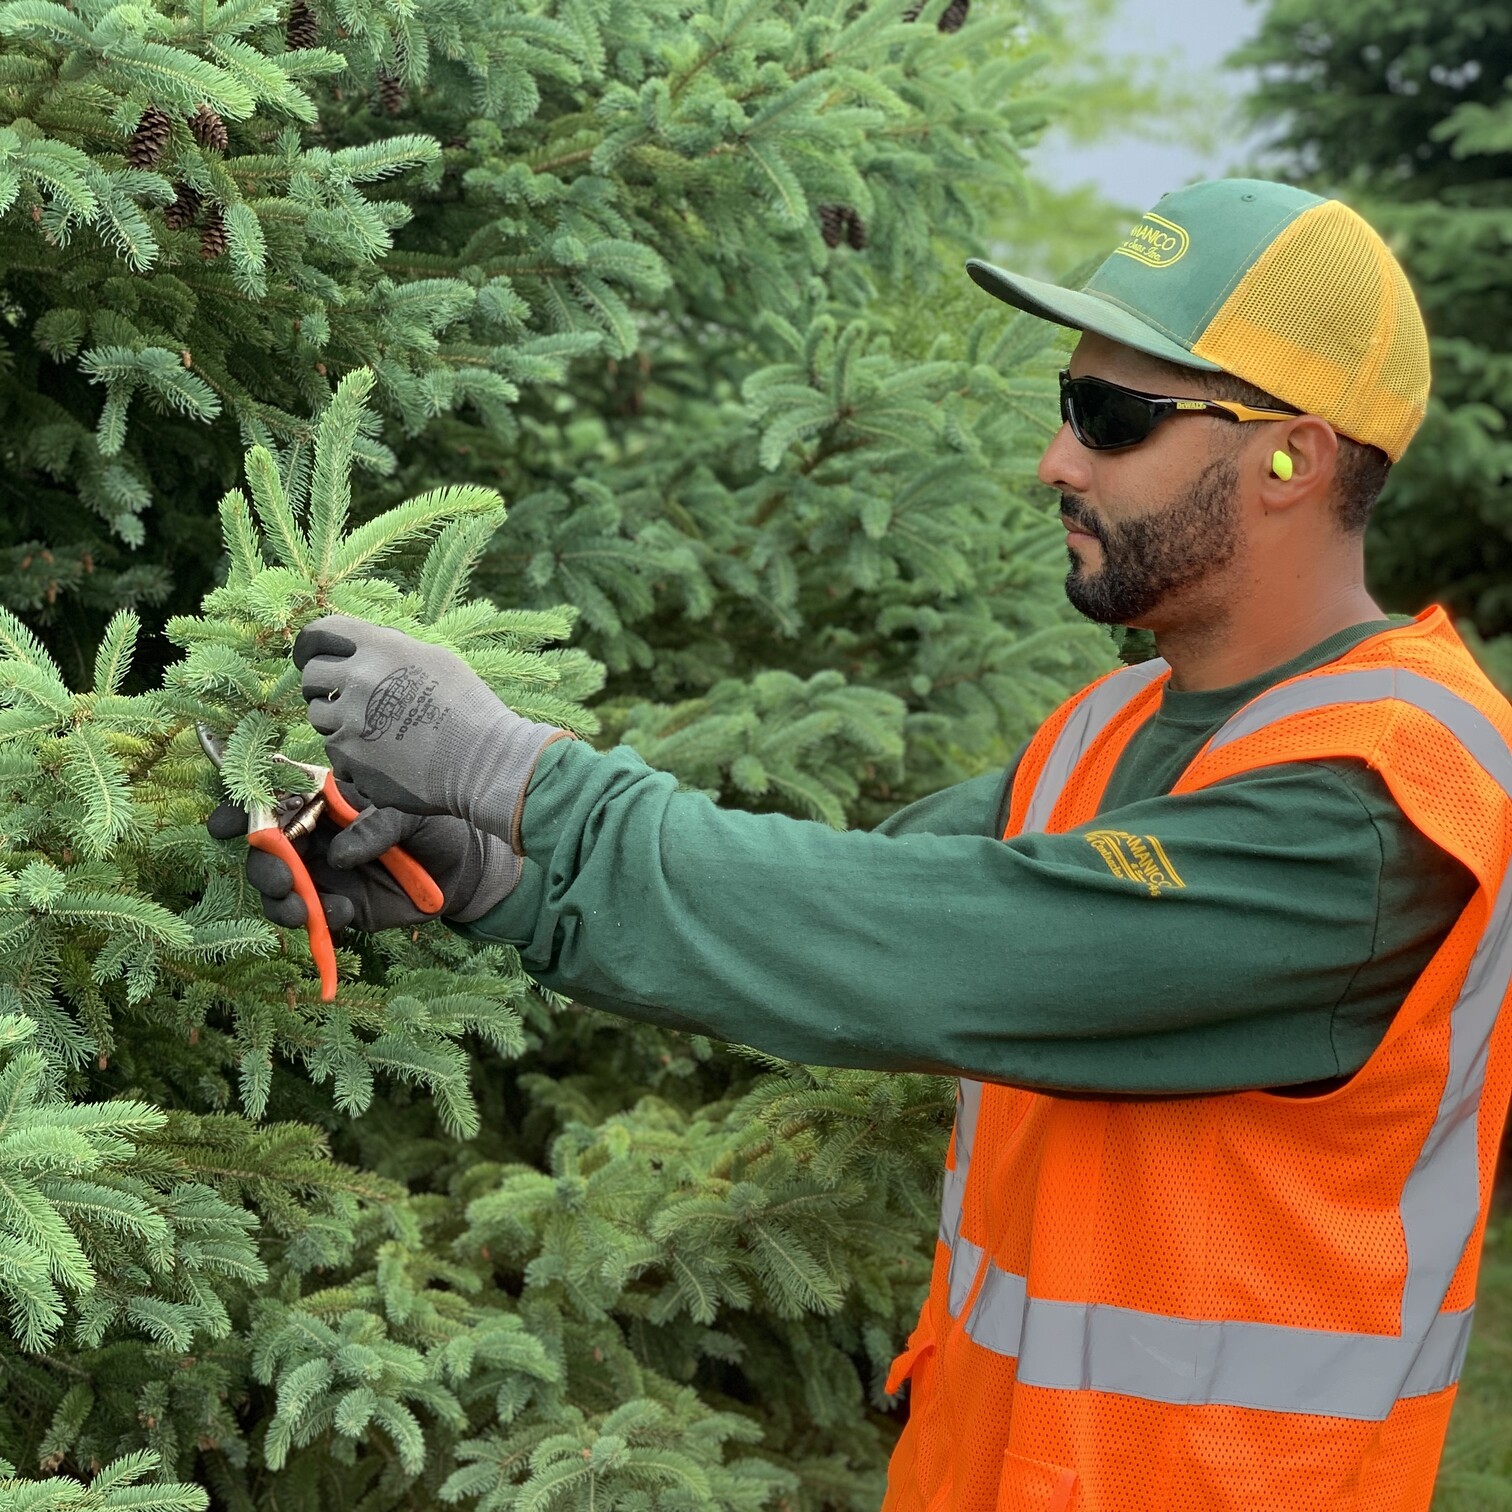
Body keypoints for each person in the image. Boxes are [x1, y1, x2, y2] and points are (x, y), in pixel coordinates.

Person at [209, 178, 1512, 1511]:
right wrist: (495, 876)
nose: (1058, 462)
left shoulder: (1384, 800)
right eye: (1066, 404)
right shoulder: (1108, 730)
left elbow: (924, 947)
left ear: (1293, 458)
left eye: (1113, 418)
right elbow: (833, 909)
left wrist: (512, 769)